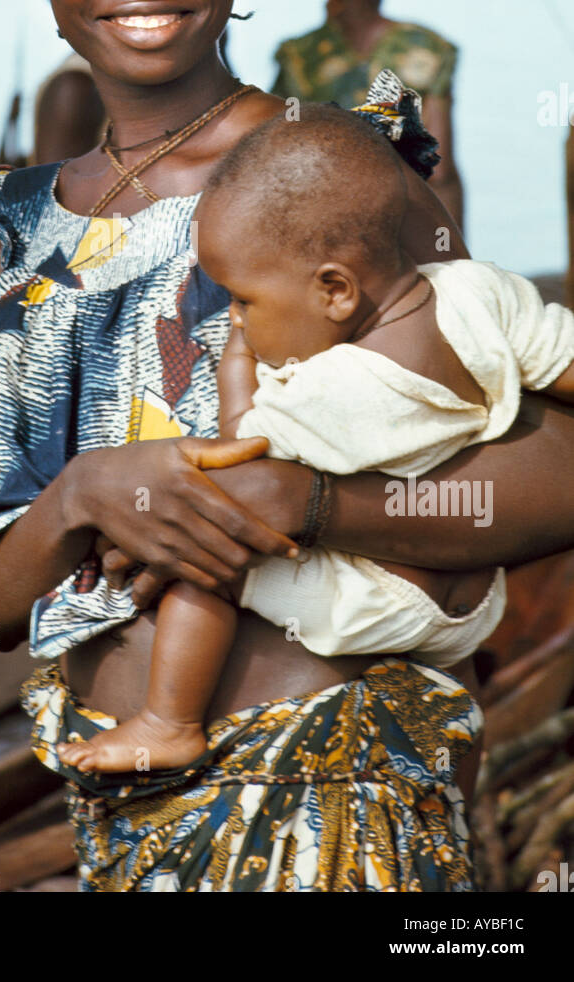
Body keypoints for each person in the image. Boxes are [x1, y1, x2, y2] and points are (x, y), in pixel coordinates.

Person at [0, 0, 574, 893]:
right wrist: (87, 492)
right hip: (127, 807)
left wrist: (314, 499)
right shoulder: (19, 231)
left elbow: (554, 476)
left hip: (344, 793)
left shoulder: (337, 168)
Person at [55, 91, 574, 777]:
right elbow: (560, 361)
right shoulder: (481, 295)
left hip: (365, 608)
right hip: (468, 604)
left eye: (242, 300)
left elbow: (240, 466)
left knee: (205, 557)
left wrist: (234, 376)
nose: (236, 320)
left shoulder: (324, 396)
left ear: (334, 291)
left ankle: (168, 721)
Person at [272, 0, 465, 227]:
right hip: (403, 228)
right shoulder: (428, 51)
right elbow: (441, 170)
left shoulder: (299, 56)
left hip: (317, 227)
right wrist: (457, 261)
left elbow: (275, 153)